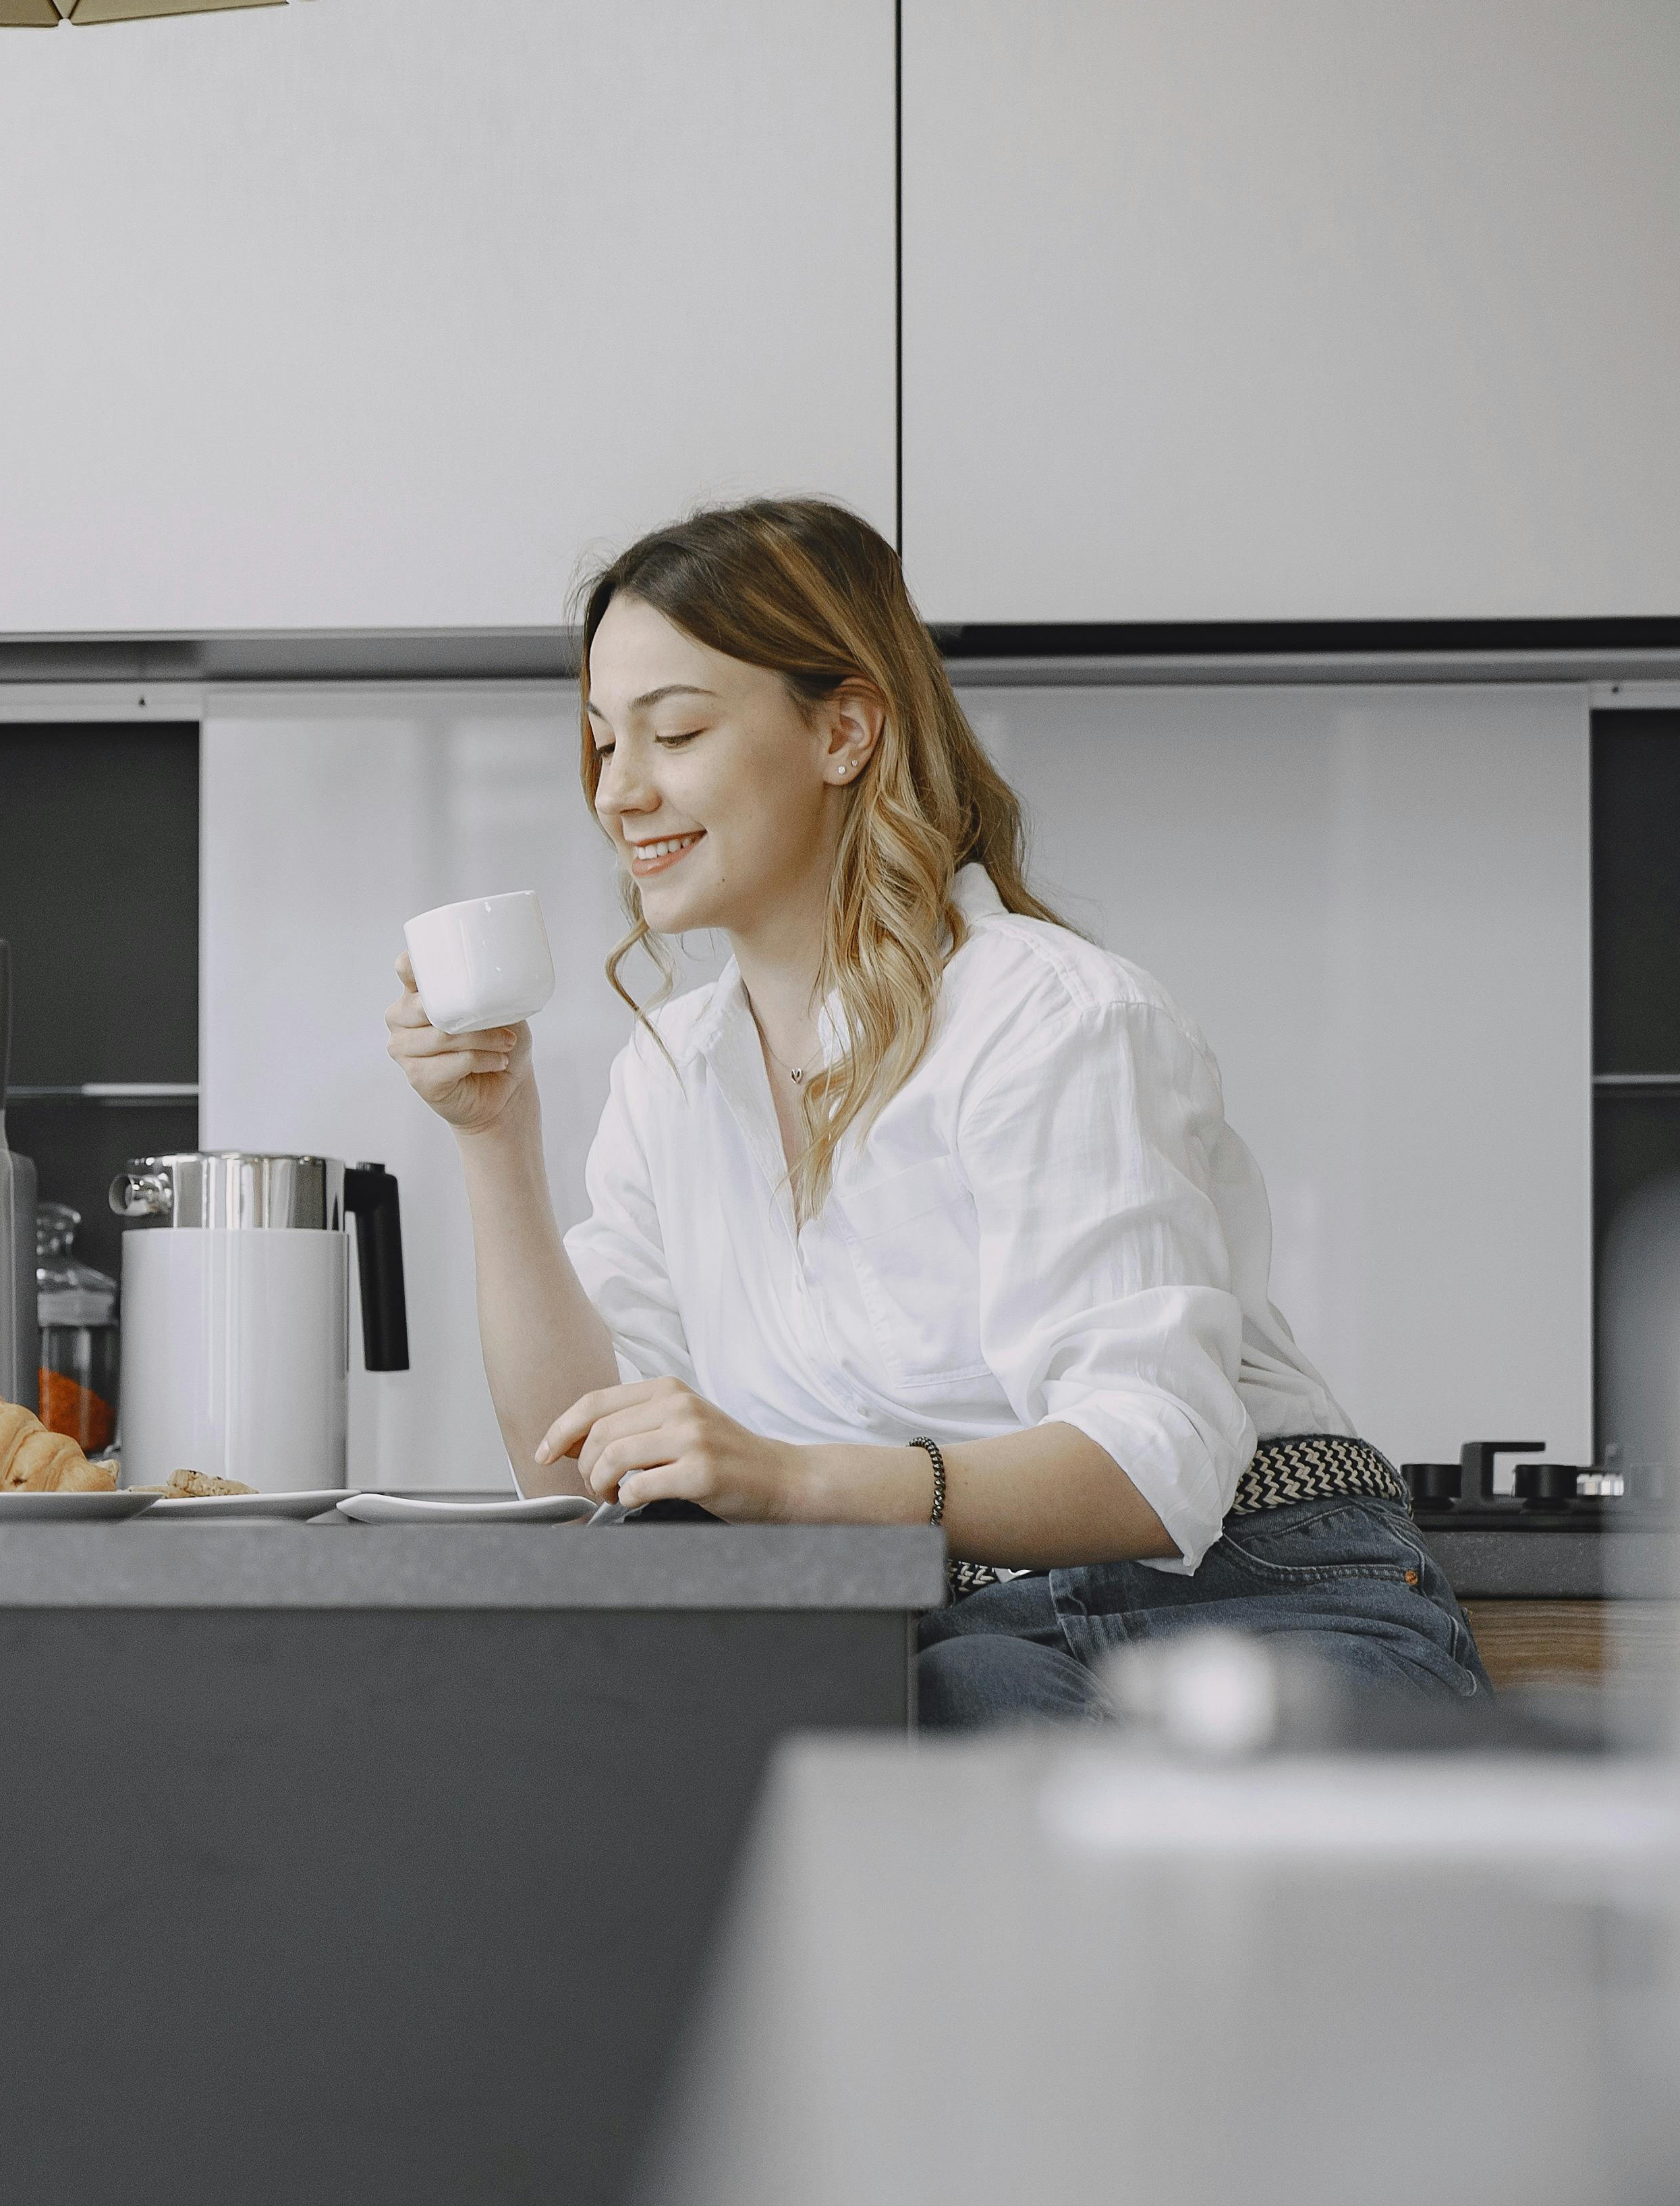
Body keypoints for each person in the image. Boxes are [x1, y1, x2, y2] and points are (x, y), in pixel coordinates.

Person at [383, 497, 1487, 1728]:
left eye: (675, 733)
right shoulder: (674, 1074)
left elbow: (1151, 1462)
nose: (619, 793)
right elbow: (578, 1464)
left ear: (846, 729)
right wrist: (494, 1136)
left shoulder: (1048, 1016)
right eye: (600, 742)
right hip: (951, 1631)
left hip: (1250, 1595)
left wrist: (792, 1481)